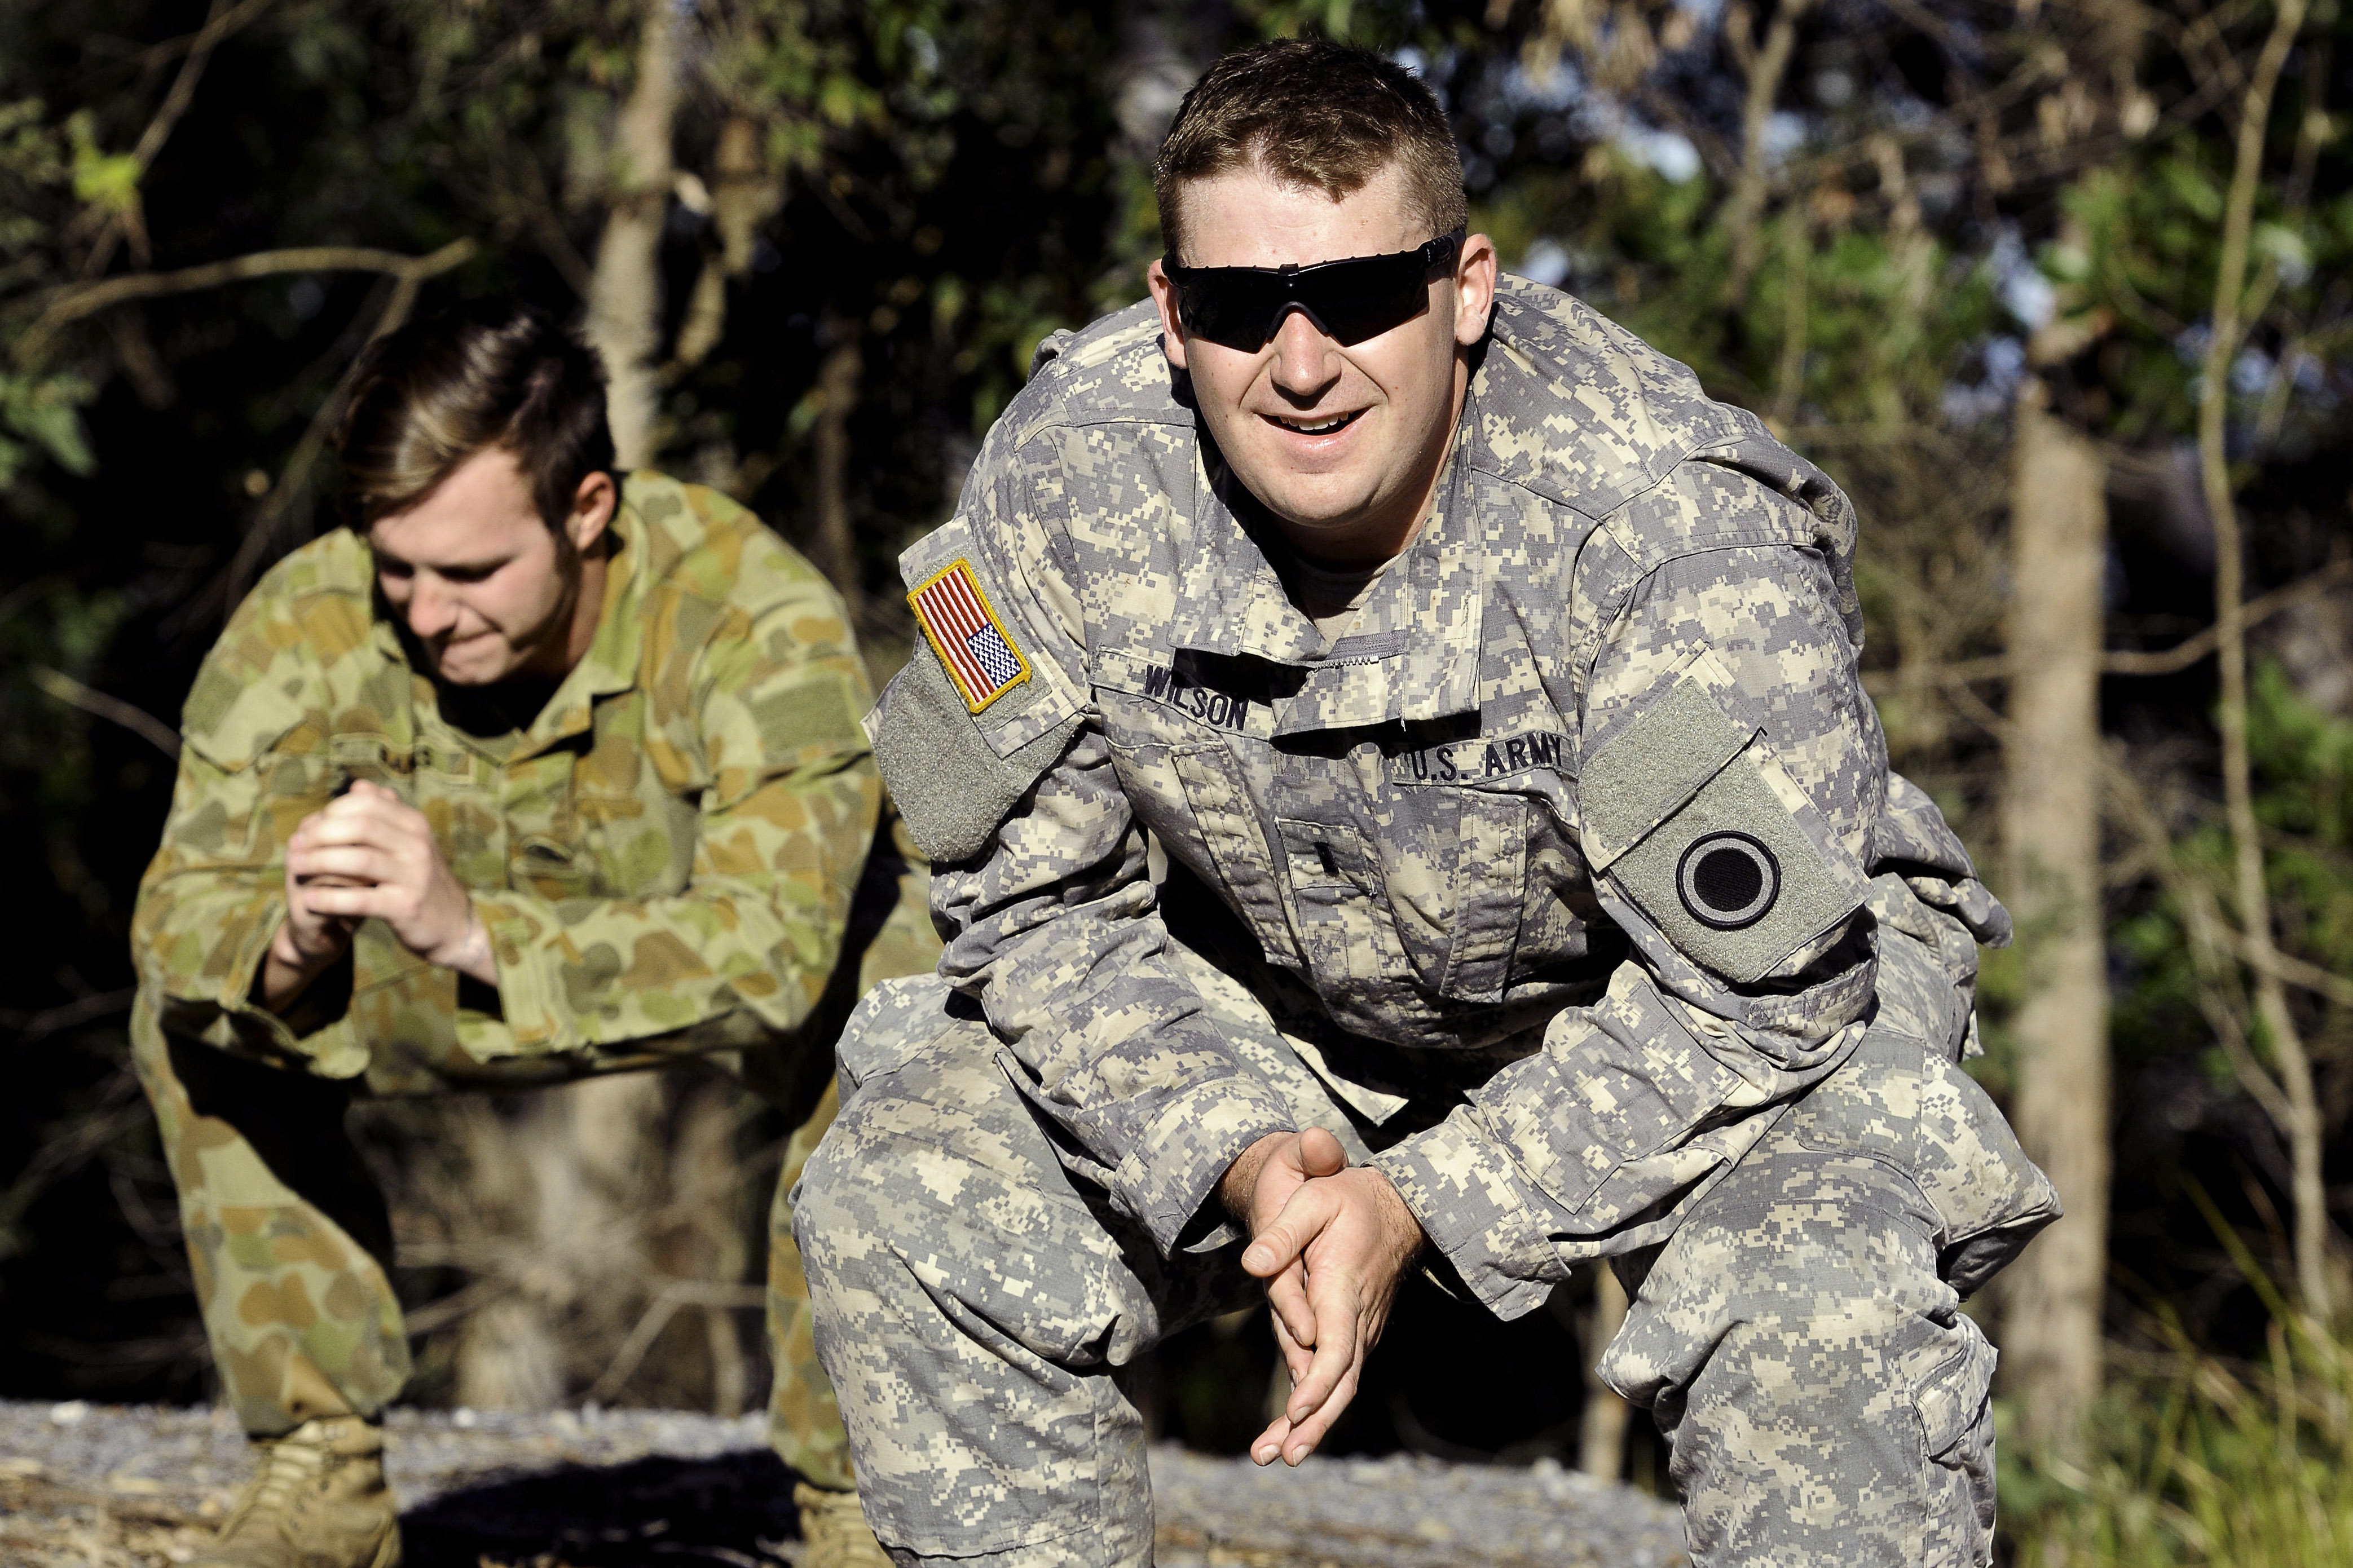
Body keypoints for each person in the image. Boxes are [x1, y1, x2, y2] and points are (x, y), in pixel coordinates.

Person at [795, 38, 2059, 1568]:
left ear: (1466, 287)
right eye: (1239, 306)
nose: (1302, 360)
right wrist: (1246, 1149)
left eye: (1362, 292)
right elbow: (1028, 901)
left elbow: (1758, 999)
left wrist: (1423, 1199)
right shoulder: (1062, 479)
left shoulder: (1660, 530)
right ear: (1167, 312)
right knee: (907, 1162)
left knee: (1818, 1286)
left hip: (1689, 1013)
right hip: (1257, 1010)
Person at [129, 300, 933, 1568]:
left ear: (589, 509)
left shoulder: (749, 614)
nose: (426, 612)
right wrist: (283, 945)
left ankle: (861, 1492)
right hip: (407, 984)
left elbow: (773, 958)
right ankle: (318, 1468)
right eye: (397, 569)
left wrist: (476, 930)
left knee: (903, 989)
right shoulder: (313, 621)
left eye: (470, 573)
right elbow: (180, 918)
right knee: (196, 1006)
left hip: (687, 980)